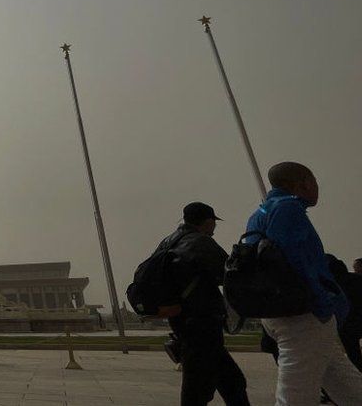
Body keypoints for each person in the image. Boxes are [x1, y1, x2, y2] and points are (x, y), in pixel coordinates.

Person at [246, 162, 362, 405]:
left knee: (345, 383)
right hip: (302, 315)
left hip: (278, 311)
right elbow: (299, 262)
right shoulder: (289, 209)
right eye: (315, 182)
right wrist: (323, 303)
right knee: (295, 396)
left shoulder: (259, 215)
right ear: (303, 183)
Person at [152, 202, 250, 406]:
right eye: (214, 222)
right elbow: (228, 274)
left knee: (232, 382)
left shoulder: (168, 242)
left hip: (181, 319)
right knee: (197, 390)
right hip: (201, 321)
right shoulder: (200, 242)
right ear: (208, 221)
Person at [327, 254, 362, 371]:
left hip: (347, 325)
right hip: (353, 323)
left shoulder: (332, 286)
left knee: (353, 354)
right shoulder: (356, 280)